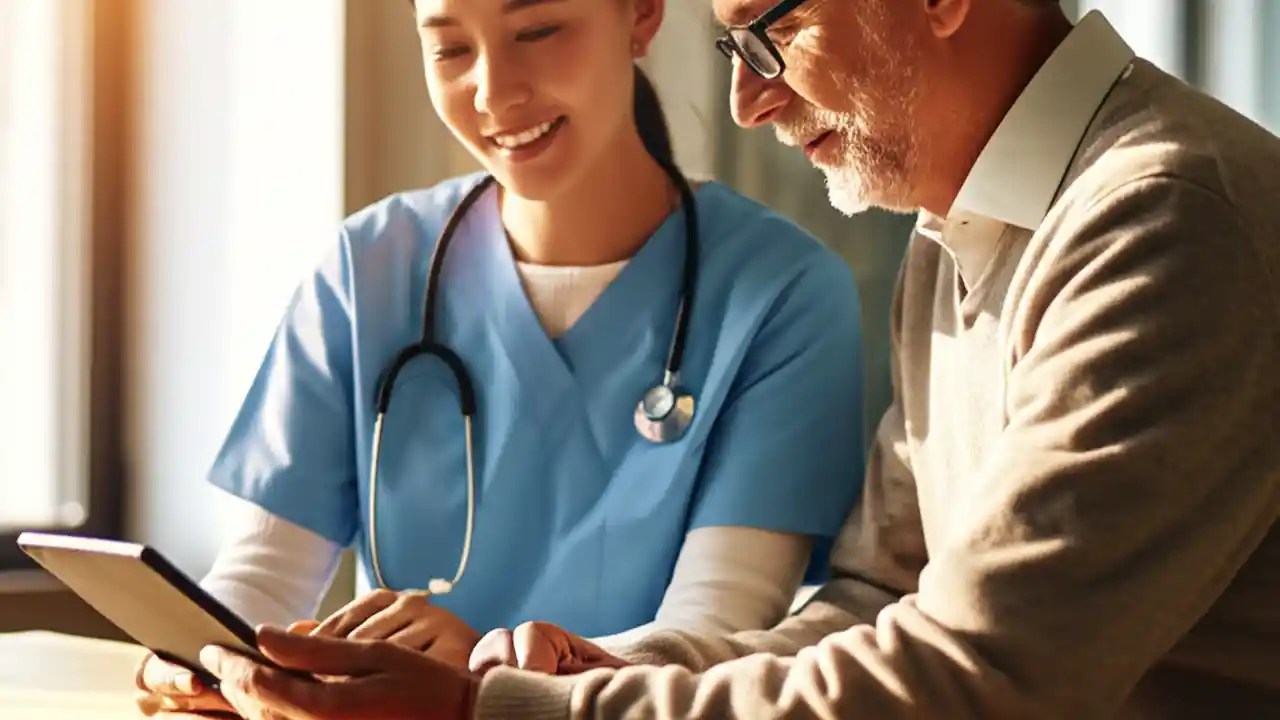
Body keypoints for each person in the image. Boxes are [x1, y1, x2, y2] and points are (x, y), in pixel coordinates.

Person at [197, 0, 1280, 718]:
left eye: (772, 29)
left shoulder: (1163, 221)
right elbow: (871, 598)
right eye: (730, 53)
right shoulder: (961, 235)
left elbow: (976, 679)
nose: (745, 102)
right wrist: (616, 671)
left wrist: (494, 711)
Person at [133, 0, 870, 716]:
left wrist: (483, 678)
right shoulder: (369, 268)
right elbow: (259, 581)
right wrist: (198, 655)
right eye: (451, 48)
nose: (494, 91)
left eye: (539, 31)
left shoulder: (785, 294)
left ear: (642, 14)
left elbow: (713, 640)